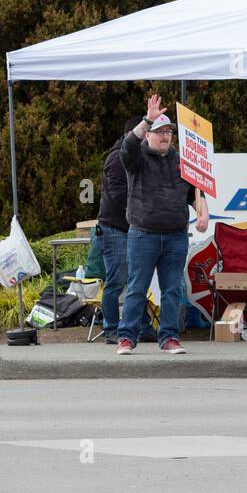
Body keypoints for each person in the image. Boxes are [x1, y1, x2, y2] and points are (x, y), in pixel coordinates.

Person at [116, 95, 208, 355]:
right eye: (160, 132)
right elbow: (127, 147)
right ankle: (126, 338)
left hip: (176, 236)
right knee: (136, 288)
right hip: (142, 235)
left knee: (172, 290)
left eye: (169, 132)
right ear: (148, 135)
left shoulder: (183, 161)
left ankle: (169, 337)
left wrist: (203, 214)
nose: (165, 136)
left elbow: (195, 192)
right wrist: (147, 120)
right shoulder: (136, 158)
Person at [95, 114, 148, 345]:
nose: (147, 140)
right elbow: (118, 193)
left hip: (130, 227)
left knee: (137, 280)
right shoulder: (117, 158)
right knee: (116, 281)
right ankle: (111, 329)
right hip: (114, 228)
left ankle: (141, 326)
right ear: (132, 134)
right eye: (144, 134)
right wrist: (142, 208)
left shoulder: (137, 157)